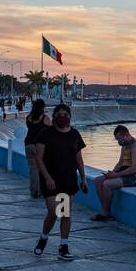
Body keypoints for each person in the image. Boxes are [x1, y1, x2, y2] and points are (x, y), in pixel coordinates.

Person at [33, 103, 87, 261]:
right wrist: (47, 178)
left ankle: (63, 247)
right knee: (53, 212)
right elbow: (38, 158)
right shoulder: (46, 133)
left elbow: (78, 157)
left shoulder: (74, 134)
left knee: (65, 213)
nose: (63, 117)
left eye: (66, 114)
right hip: (50, 180)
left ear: (70, 116)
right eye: (60, 114)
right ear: (55, 116)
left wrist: (83, 177)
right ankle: (43, 238)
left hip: (68, 179)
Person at [91, 124, 136, 221]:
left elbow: (134, 168)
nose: (120, 142)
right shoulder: (124, 146)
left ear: (127, 135)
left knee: (107, 184)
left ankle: (107, 214)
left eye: (121, 139)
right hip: (123, 173)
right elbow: (120, 163)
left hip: (135, 177)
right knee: (98, 180)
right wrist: (111, 173)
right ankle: (104, 210)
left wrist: (115, 175)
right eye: (118, 140)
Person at [24, 99, 51, 199]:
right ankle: (43, 191)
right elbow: (51, 130)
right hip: (39, 146)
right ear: (42, 107)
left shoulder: (29, 117)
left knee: (32, 169)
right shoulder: (45, 118)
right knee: (43, 168)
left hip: (28, 144)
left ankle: (34, 192)